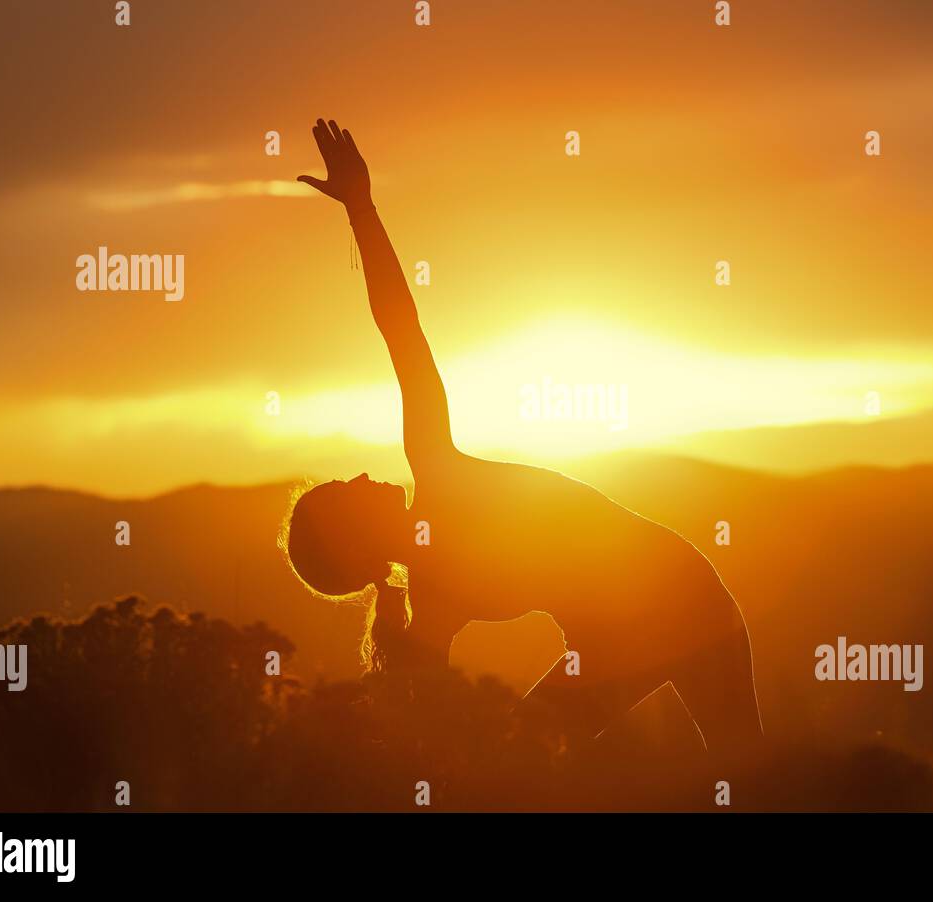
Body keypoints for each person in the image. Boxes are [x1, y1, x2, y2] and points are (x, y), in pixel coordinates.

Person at [285, 119, 762, 755]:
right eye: (350, 489)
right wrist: (363, 211)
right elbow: (401, 328)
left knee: (741, 777)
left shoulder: (432, 592)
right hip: (631, 631)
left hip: (683, 601)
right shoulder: (433, 518)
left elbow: (401, 330)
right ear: (352, 538)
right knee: (516, 756)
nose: (365, 476)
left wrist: (364, 210)